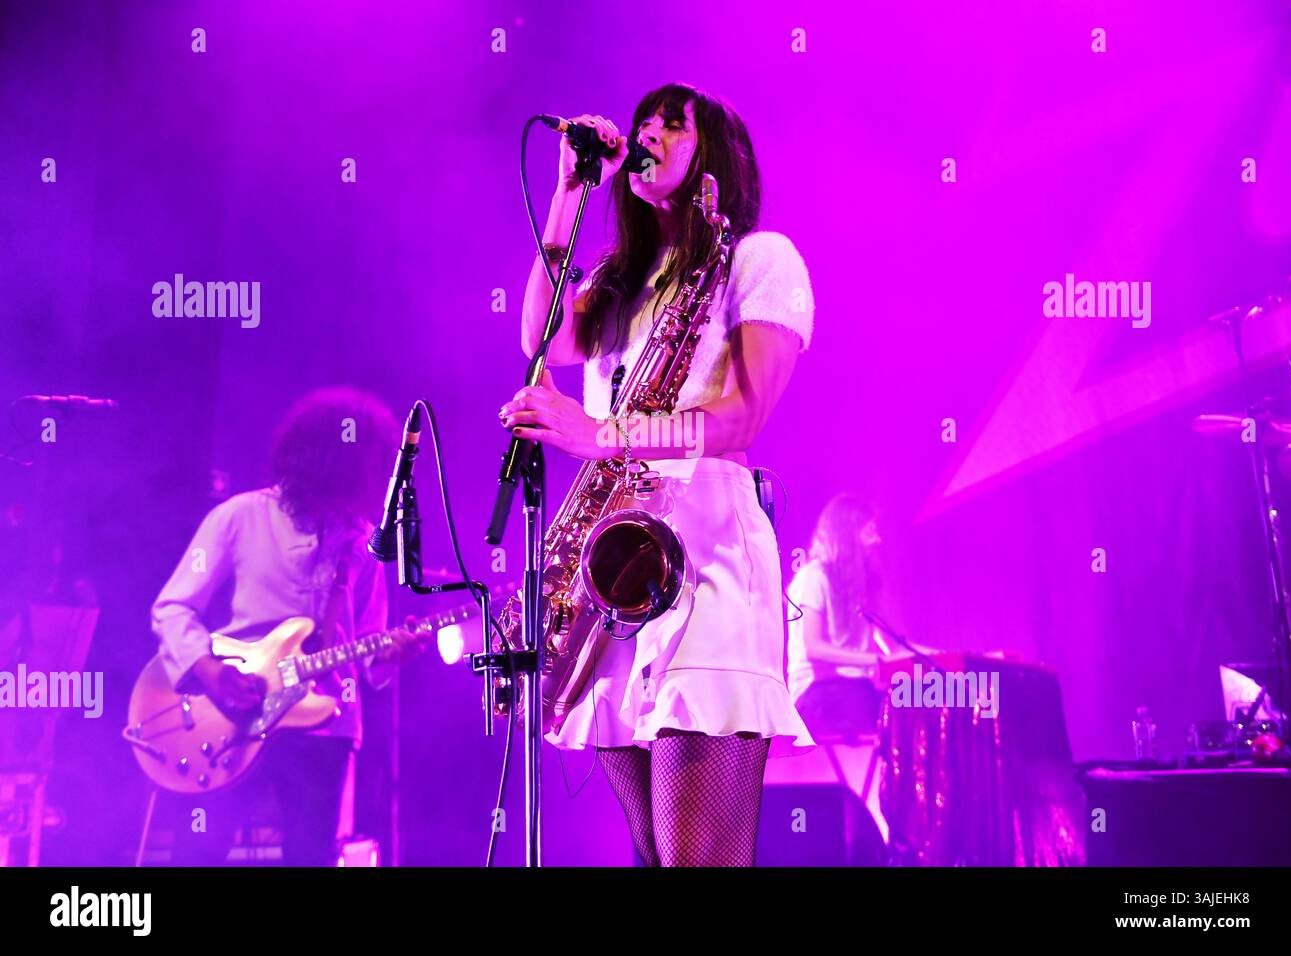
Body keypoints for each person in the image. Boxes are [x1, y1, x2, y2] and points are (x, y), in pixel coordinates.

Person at [500, 82, 815, 866]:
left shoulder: (760, 258)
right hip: (617, 570)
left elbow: (742, 419)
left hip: (706, 557)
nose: (647, 136)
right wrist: (570, 196)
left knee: (698, 861)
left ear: (715, 153)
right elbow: (540, 338)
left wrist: (597, 432)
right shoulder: (625, 274)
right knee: (654, 859)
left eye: (671, 125)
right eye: (642, 124)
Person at [150, 387, 426, 866]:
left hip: (326, 726)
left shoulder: (361, 544)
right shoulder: (240, 516)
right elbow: (173, 607)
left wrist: (391, 654)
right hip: (232, 713)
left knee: (310, 854)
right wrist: (211, 672)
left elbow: (365, 647)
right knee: (201, 851)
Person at [786, 494, 889, 742]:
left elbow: (894, 647)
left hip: (855, 689)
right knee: (864, 704)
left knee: (906, 710)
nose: (879, 539)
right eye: (871, 531)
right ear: (850, 534)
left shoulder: (861, 589)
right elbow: (814, 648)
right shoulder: (813, 577)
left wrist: (940, 659)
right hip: (815, 694)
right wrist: (875, 661)